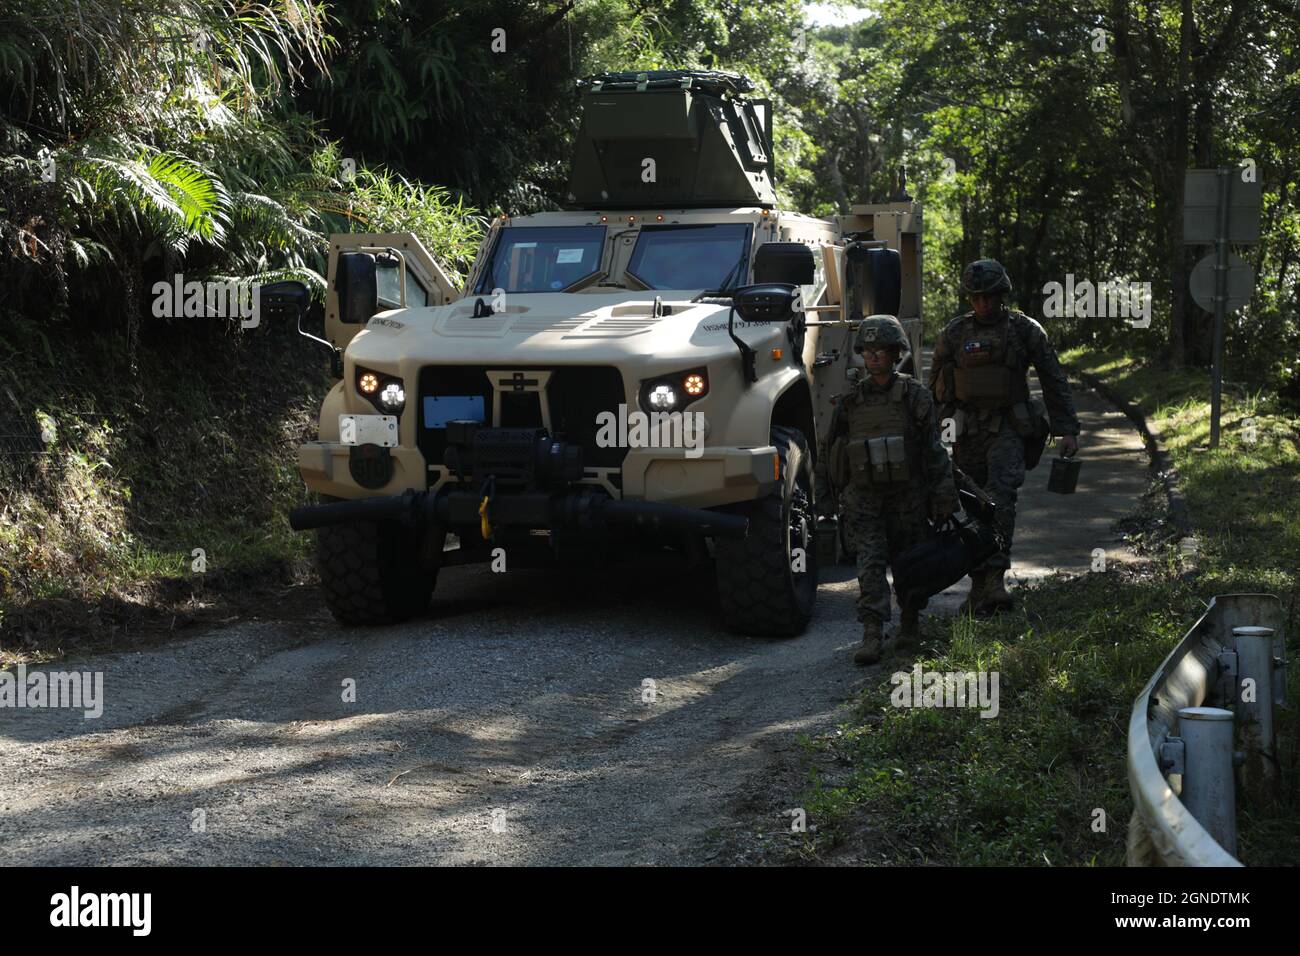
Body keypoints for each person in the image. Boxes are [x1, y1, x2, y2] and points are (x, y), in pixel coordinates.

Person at [929, 259, 1081, 614]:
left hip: (1009, 427)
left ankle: (995, 578)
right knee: (972, 504)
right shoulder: (954, 334)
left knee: (1001, 499)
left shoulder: (1024, 330)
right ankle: (979, 584)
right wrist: (931, 434)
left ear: (1002, 295)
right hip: (966, 430)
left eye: (990, 297)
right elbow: (934, 387)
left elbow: (1053, 378)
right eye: (977, 297)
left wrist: (1067, 429)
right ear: (969, 299)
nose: (983, 304)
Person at [826, 315, 957, 666]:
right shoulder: (851, 399)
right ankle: (871, 632)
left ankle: (910, 624)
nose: (874, 358)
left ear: (896, 353)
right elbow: (835, 448)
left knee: (909, 562)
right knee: (869, 564)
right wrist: (838, 492)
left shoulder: (914, 396)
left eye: (881, 351)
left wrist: (943, 495)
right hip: (865, 497)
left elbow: (933, 449)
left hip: (907, 496)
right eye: (868, 351)